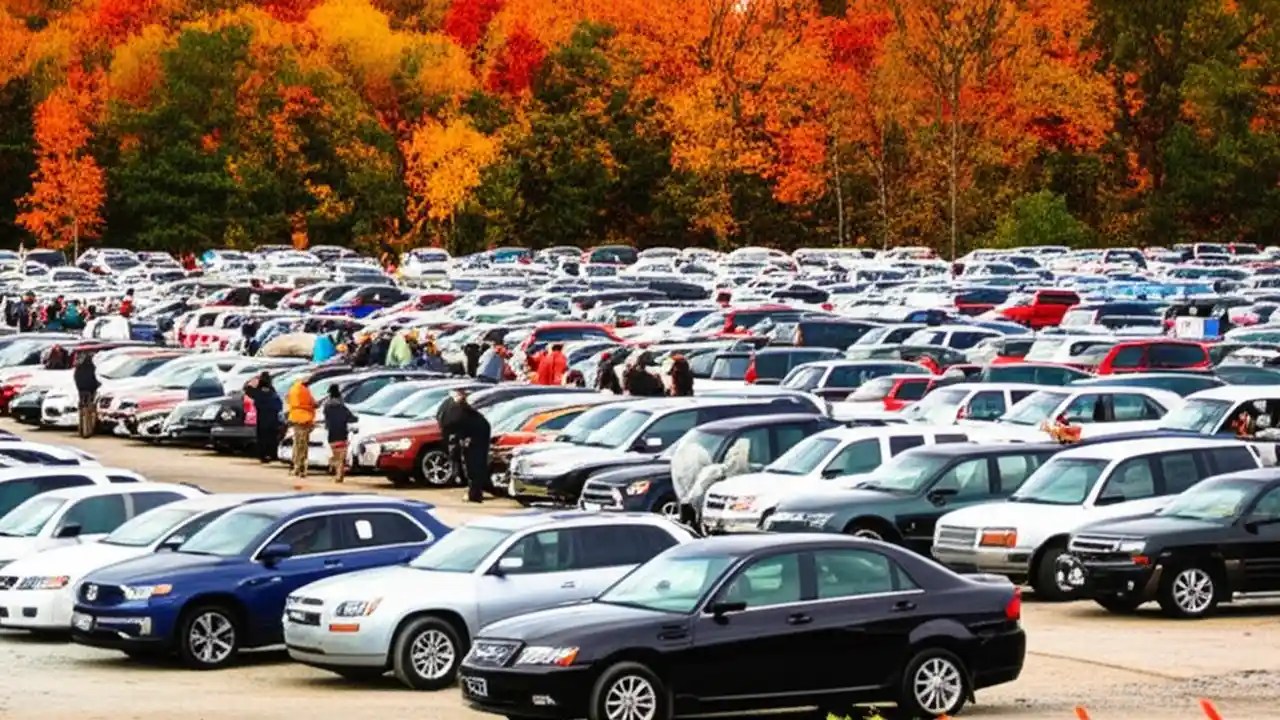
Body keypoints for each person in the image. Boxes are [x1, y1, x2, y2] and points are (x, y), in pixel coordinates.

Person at [438, 388, 491, 503]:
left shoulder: (459, 410)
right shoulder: (453, 408)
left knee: (474, 466)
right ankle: (474, 492)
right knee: (471, 466)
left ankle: (475, 494)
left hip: (476, 439)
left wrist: (462, 439)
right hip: (471, 438)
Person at [244, 372, 282, 464]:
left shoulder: (258, 390)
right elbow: (278, 404)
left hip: (262, 417)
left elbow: (248, 391)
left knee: (262, 437)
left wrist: (250, 383)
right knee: (272, 437)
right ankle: (272, 454)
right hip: (273, 417)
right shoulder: (272, 390)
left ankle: (263, 455)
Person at [322, 384, 356, 483]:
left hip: (332, 434)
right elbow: (351, 418)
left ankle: (335, 469)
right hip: (342, 433)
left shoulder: (327, 407)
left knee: (336, 455)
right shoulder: (342, 407)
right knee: (341, 457)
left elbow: (326, 419)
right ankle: (339, 474)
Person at [286, 379, 317, 478]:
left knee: (296, 443)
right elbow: (313, 403)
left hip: (295, 419)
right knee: (303, 445)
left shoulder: (293, 389)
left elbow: (288, 400)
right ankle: (300, 467)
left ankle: (294, 465)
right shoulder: (305, 391)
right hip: (304, 420)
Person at [73, 352, 100, 438]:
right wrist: (96, 387)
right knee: (89, 409)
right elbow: (93, 379)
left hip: (81, 390)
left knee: (81, 409)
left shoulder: (78, 369)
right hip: (90, 391)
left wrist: (79, 387)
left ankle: (81, 428)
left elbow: (76, 378)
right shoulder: (92, 368)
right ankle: (88, 429)